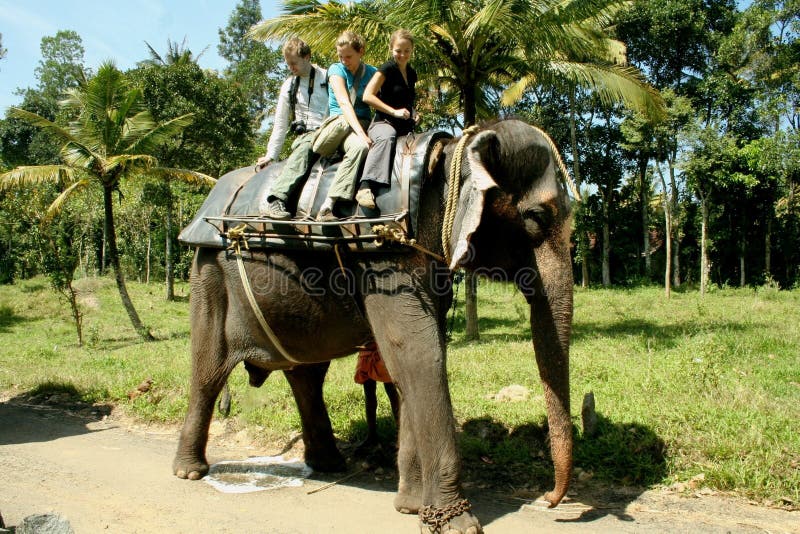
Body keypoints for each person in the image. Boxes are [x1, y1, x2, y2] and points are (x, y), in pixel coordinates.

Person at [258, 37, 329, 220]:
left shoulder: (328, 77)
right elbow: (280, 123)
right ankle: (276, 199)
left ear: (307, 57)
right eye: (288, 64)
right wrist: (271, 155)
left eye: (294, 63)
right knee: (306, 145)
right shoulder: (289, 86)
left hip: (330, 131)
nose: (291, 68)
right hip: (307, 138)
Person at [315, 31, 377, 221]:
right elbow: (344, 104)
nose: (344, 61)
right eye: (341, 56)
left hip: (363, 125)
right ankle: (328, 206)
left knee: (369, 146)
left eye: (348, 56)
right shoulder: (336, 70)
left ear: (361, 52)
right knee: (360, 145)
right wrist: (362, 134)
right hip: (341, 124)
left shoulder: (373, 73)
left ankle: (332, 203)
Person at [357, 29, 419, 210]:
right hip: (383, 123)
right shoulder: (387, 68)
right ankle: (365, 187)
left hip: (405, 127)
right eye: (398, 50)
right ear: (391, 49)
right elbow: (368, 96)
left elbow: (407, 101)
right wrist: (394, 112)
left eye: (406, 51)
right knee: (387, 136)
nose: (402, 54)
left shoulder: (412, 73)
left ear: (411, 50)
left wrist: (414, 113)